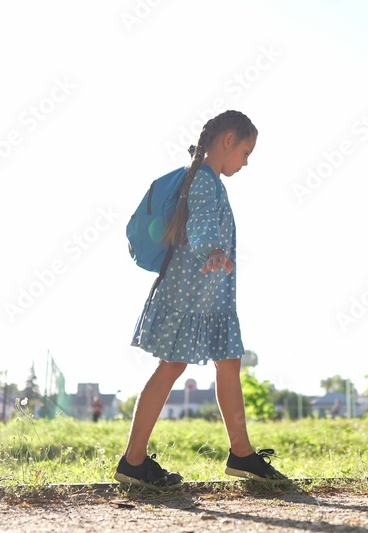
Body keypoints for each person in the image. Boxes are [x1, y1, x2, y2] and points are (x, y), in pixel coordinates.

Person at [115, 110, 287, 487]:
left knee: (227, 362)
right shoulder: (205, 182)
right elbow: (202, 221)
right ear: (227, 141)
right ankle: (133, 461)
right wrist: (211, 250)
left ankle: (241, 454)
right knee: (172, 366)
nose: (246, 162)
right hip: (192, 292)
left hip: (206, 295)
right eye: (246, 151)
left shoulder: (205, 179)